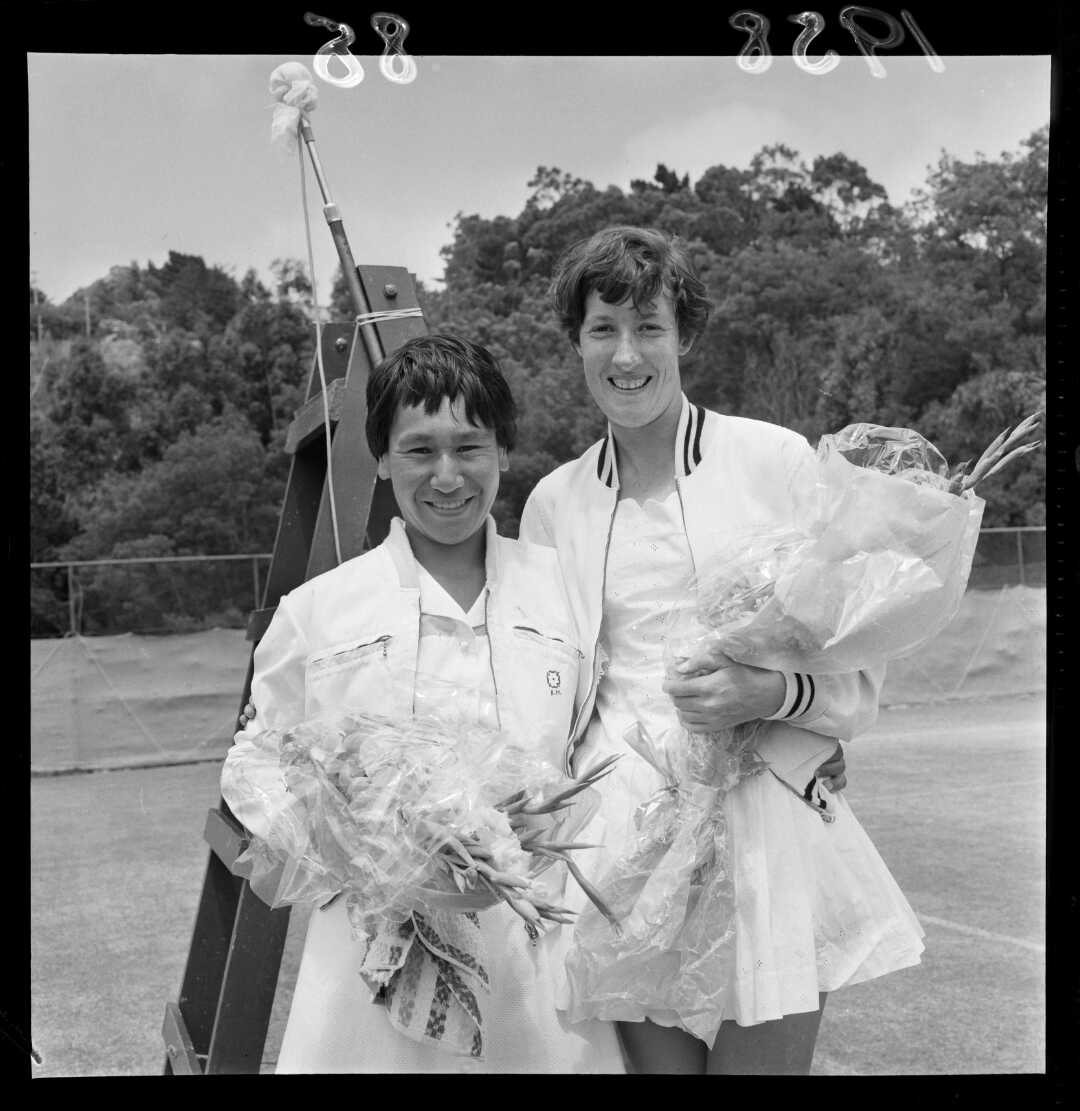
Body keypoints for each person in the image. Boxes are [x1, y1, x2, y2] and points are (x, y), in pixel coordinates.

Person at [519, 225, 925, 1075]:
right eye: (603, 329)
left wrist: (769, 696)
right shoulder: (553, 503)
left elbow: (855, 660)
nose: (626, 355)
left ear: (686, 336)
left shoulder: (773, 459)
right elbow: (551, 691)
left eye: (649, 328)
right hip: (623, 847)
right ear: (577, 340)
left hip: (762, 828)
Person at [220, 334, 626, 1073]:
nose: (448, 475)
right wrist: (340, 843)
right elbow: (258, 763)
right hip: (366, 971)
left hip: (536, 966)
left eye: (470, 446)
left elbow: (614, 733)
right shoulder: (320, 613)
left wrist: (805, 726)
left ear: (504, 448)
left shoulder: (568, 593)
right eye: (419, 450)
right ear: (381, 458)